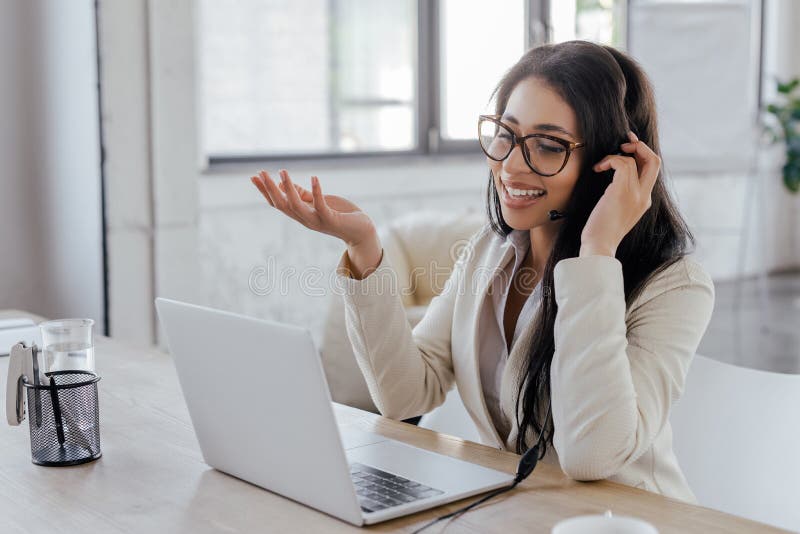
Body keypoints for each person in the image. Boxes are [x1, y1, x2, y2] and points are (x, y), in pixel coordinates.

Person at [249, 40, 714, 503]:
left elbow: (592, 456)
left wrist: (596, 252)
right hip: (516, 513)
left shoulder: (675, 286)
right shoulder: (487, 253)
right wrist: (363, 246)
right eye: (506, 134)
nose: (511, 164)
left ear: (614, 165)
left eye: (549, 145)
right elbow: (406, 393)